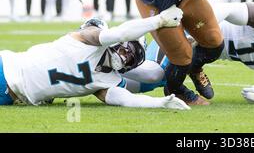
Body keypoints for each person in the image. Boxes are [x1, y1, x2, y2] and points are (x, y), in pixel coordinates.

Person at [126, 0, 254, 104]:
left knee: (145, 84)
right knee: (155, 74)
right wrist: (199, 32)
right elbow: (228, 9)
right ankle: (119, 54)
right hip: (194, 28)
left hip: (206, 51)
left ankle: (108, 77)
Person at [0, 7, 189, 110]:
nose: (127, 55)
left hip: (10, 96)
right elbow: (121, 32)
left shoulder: (107, 81)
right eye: (129, 48)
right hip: (5, 68)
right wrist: (159, 20)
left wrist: (159, 103)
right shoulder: (89, 39)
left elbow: (126, 100)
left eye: (133, 56)